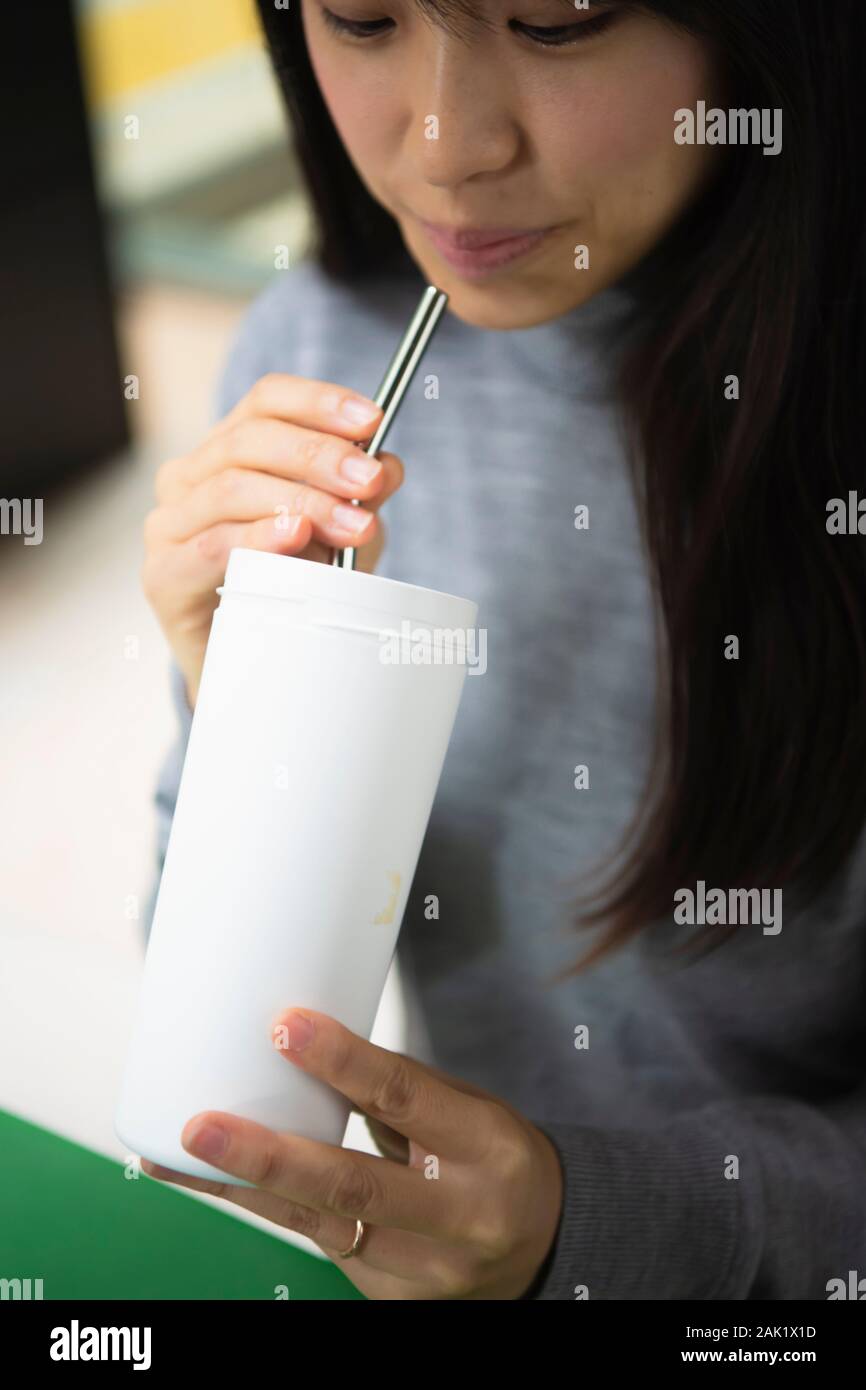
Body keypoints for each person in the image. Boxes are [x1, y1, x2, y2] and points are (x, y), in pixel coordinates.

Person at [137, 0, 866, 1299]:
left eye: (554, 18)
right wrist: (237, 699)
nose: (444, 145)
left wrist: (588, 1224)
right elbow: (220, 1065)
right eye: (359, 17)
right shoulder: (317, 348)